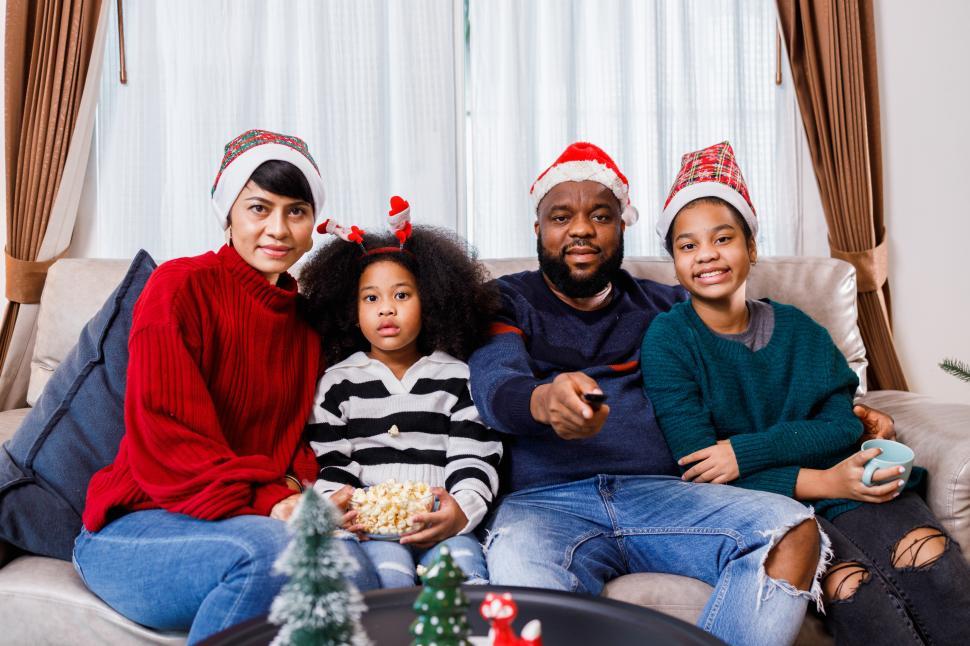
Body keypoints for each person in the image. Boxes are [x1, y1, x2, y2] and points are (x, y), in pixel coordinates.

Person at [466, 141, 887, 646]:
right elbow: (496, 385)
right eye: (561, 217)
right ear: (539, 231)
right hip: (543, 506)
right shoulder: (505, 298)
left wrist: (853, 415)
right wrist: (544, 401)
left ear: (624, 227)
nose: (580, 228)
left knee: (792, 532)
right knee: (526, 593)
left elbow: (755, 373)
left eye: (600, 215)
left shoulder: (669, 307)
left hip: (667, 497)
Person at [643, 141, 970, 645]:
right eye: (688, 246)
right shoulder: (668, 340)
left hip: (857, 483)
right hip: (777, 510)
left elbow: (843, 423)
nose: (706, 254)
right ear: (675, 264)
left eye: (723, 238)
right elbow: (703, 472)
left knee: (930, 558)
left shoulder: (798, 329)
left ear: (751, 248)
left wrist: (744, 450)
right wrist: (824, 480)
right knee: (854, 591)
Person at [73, 130, 326, 644]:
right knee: (273, 554)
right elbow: (169, 441)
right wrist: (272, 500)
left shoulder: (305, 324)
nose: (277, 229)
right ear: (228, 214)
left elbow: (295, 443)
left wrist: (303, 491)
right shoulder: (178, 286)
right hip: (137, 526)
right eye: (259, 207)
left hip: (238, 520)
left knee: (358, 574)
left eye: (296, 211)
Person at [299, 198, 503, 589]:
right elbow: (330, 462)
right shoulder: (337, 383)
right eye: (371, 298)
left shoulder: (458, 378)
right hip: (370, 526)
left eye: (402, 296)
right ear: (351, 310)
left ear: (430, 302)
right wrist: (339, 507)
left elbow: (474, 457)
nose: (386, 310)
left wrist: (461, 510)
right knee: (388, 584)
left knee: (465, 576)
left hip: (441, 515)